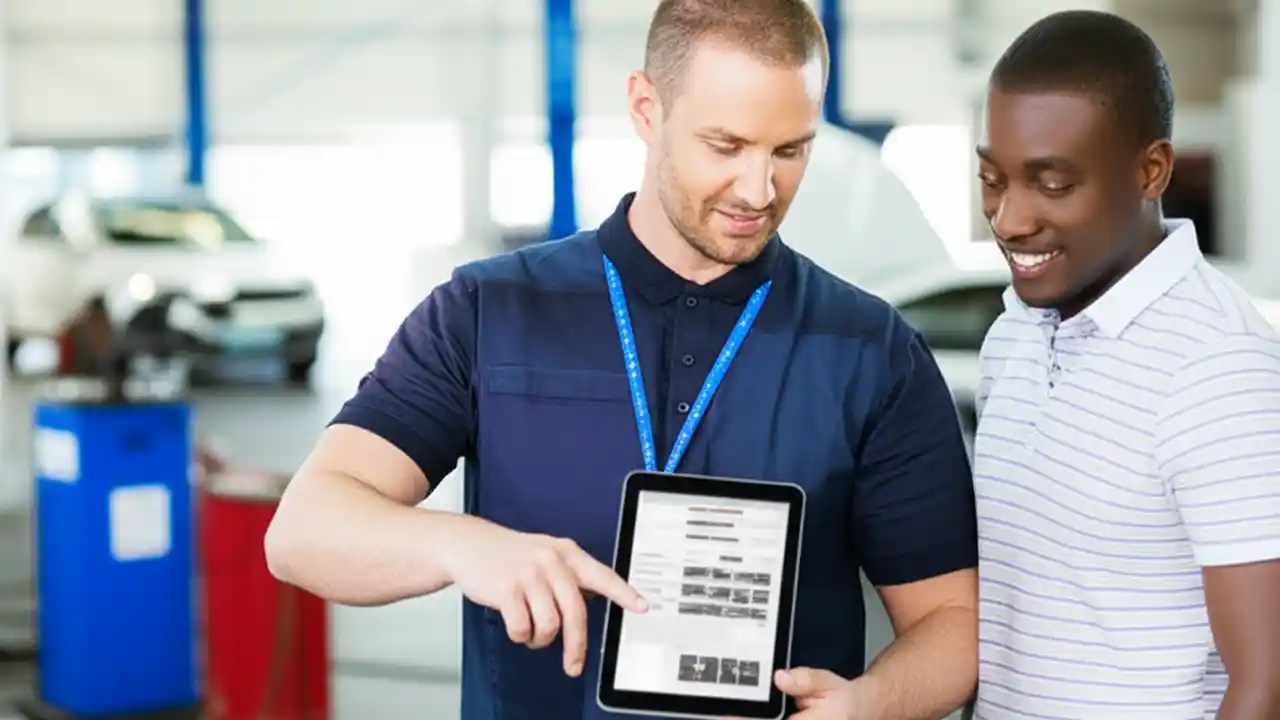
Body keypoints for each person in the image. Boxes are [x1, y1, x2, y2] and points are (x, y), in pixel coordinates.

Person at [266, 1, 980, 717]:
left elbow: (951, 620)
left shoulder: (870, 350)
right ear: (646, 106)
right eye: (725, 146)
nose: (760, 191)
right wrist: (461, 547)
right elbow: (305, 531)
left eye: (789, 151)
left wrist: (872, 704)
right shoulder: (490, 312)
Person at [971, 10, 1280, 719]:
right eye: (994, 178)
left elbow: (1264, 685)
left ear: (1151, 170)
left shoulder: (1219, 366)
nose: (1010, 219)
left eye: (1051, 185)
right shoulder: (1012, 338)